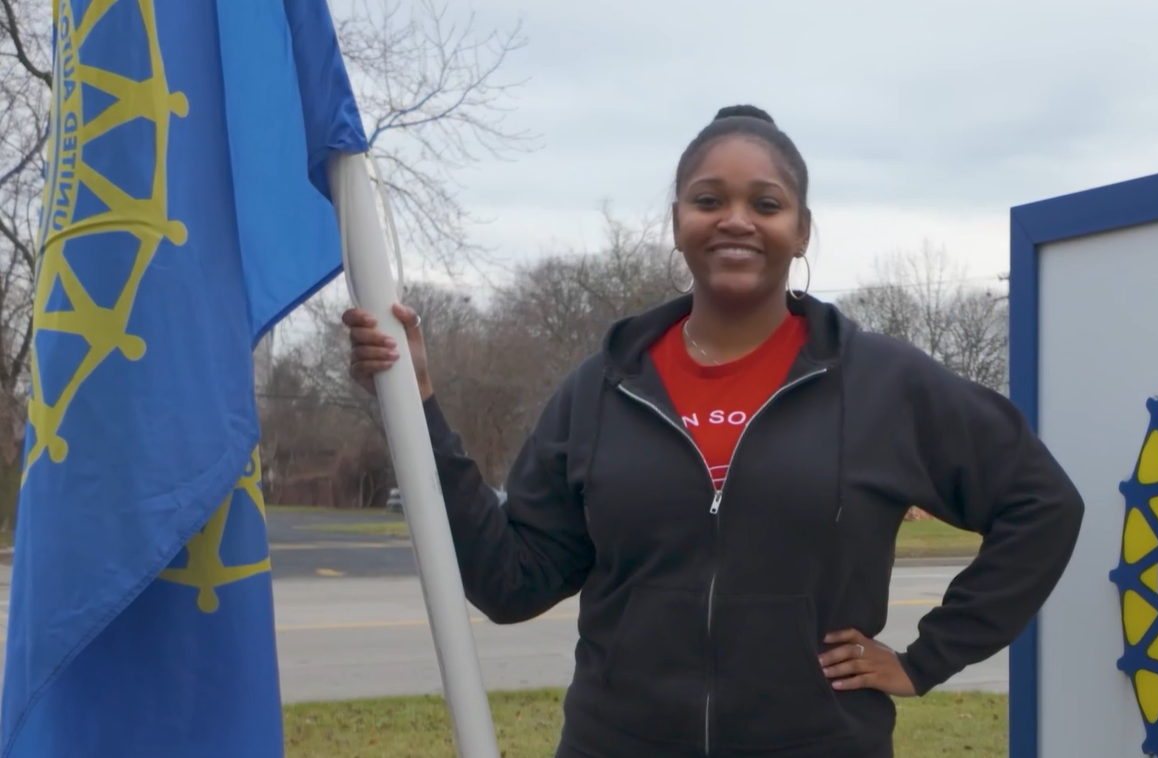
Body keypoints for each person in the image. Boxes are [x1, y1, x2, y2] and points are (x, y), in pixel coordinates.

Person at [342, 104, 1085, 758]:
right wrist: (420, 412)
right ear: (677, 224)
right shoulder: (604, 386)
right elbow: (510, 581)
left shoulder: (882, 382)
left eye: (766, 202)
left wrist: (925, 658)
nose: (735, 219)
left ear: (801, 232)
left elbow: (1042, 505)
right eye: (709, 199)